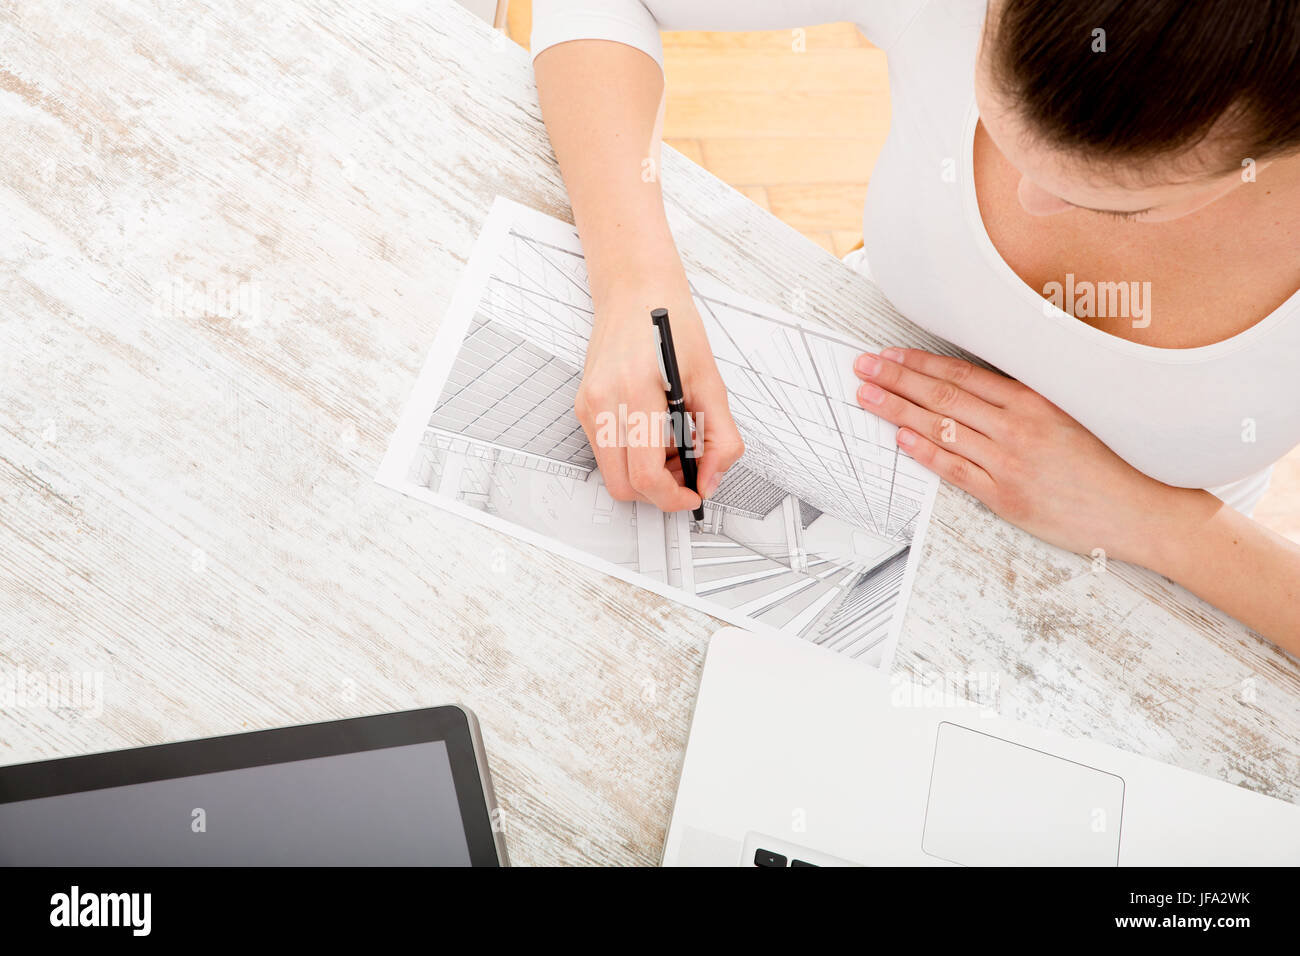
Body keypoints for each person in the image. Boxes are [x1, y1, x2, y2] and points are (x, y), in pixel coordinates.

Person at [530, 0, 1300, 650]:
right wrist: (638, 287)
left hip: (1147, 595)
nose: (1029, 199)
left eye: (1128, 206)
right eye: (1000, 127)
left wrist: (1158, 524)